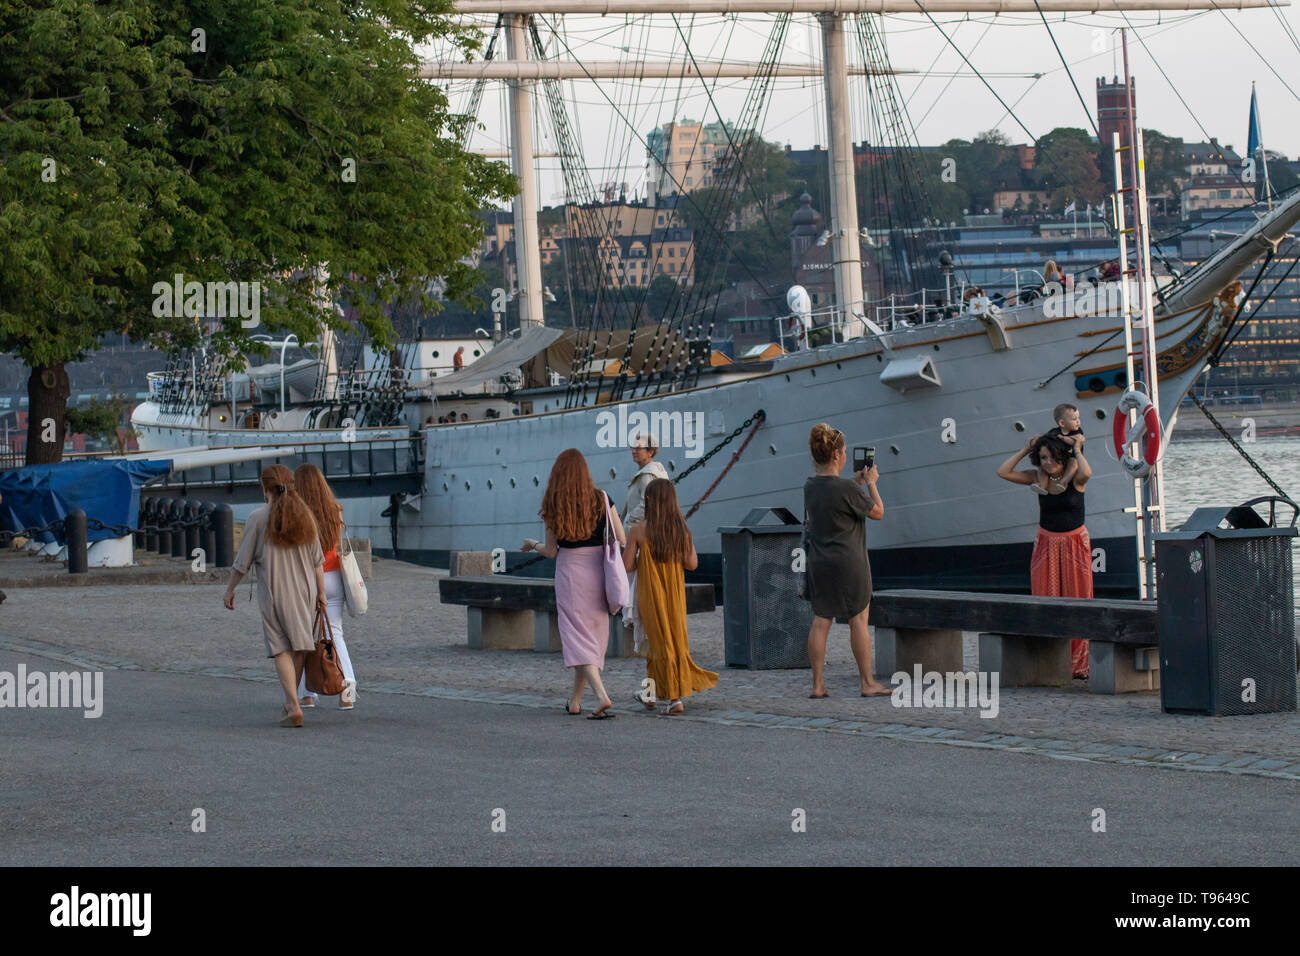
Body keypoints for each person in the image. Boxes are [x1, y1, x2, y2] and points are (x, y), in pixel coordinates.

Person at [522, 449, 626, 719]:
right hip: (599, 571)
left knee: (576, 637)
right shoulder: (602, 498)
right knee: (590, 635)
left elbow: (552, 551)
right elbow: (622, 538)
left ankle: (602, 696)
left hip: (570, 573)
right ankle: (575, 701)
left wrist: (532, 544)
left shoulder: (553, 503)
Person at [223, 465, 326, 727]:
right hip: (305, 590)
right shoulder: (306, 515)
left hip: (275, 590)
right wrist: (321, 593)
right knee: (301, 645)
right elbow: (318, 561)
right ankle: (293, 701)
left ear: (264, 488)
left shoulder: (258, 518)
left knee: (280, 647)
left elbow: (242, 561)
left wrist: (230, 589)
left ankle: (292, 704)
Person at [996, 432, 1094, 678]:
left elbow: (1088, 473)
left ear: (1060, 456)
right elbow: (1003, 472)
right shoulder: (1038, 478)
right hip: (1047, 543)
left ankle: (1078, 664)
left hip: (1073, 542)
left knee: (1078, 599)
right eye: (1042, 458)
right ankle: (1050, 660)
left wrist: (1077, 450)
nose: (1047, 463)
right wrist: (1024, 450)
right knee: (1045, 597)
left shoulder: (1075, 479)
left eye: (1050, 457)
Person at [803, 424, 889, 699]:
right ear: (838, 454)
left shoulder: (811, 486)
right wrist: (871, 482)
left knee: (821, 620)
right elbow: (878, 513)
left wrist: (856, 484)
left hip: (819, 561)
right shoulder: (844, 489)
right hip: (849, 562)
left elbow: (835, 497)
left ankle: (817, 684)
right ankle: (867, 682)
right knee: (858, 619)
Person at [623, 478, 717, 715]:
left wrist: (640, 557)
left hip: (650, 594)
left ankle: (675, 699)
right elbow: (692, 563)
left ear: (649, 502)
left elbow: (627, 566)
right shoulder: (681, 530)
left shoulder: (638, 530)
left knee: (657, 642)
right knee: (673, 639)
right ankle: (651, 693)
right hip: (674, 594)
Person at [293, 463, 359, 711]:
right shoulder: (335, 509)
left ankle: (306, 694)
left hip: (306, 577)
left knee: (302, 637)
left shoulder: (297, 512)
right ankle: (347, 691)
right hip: (333, 576)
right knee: (336, 634)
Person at [620, 432, 669, 654]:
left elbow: (645, 504)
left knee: (637, 579)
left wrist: (627, 525)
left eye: (638, 448)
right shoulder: (648, 473)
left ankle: (640, 624)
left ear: (650, 452)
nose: (634, 450)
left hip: (641, 537)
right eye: (633, 447)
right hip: (646, 534)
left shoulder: (649, 476)